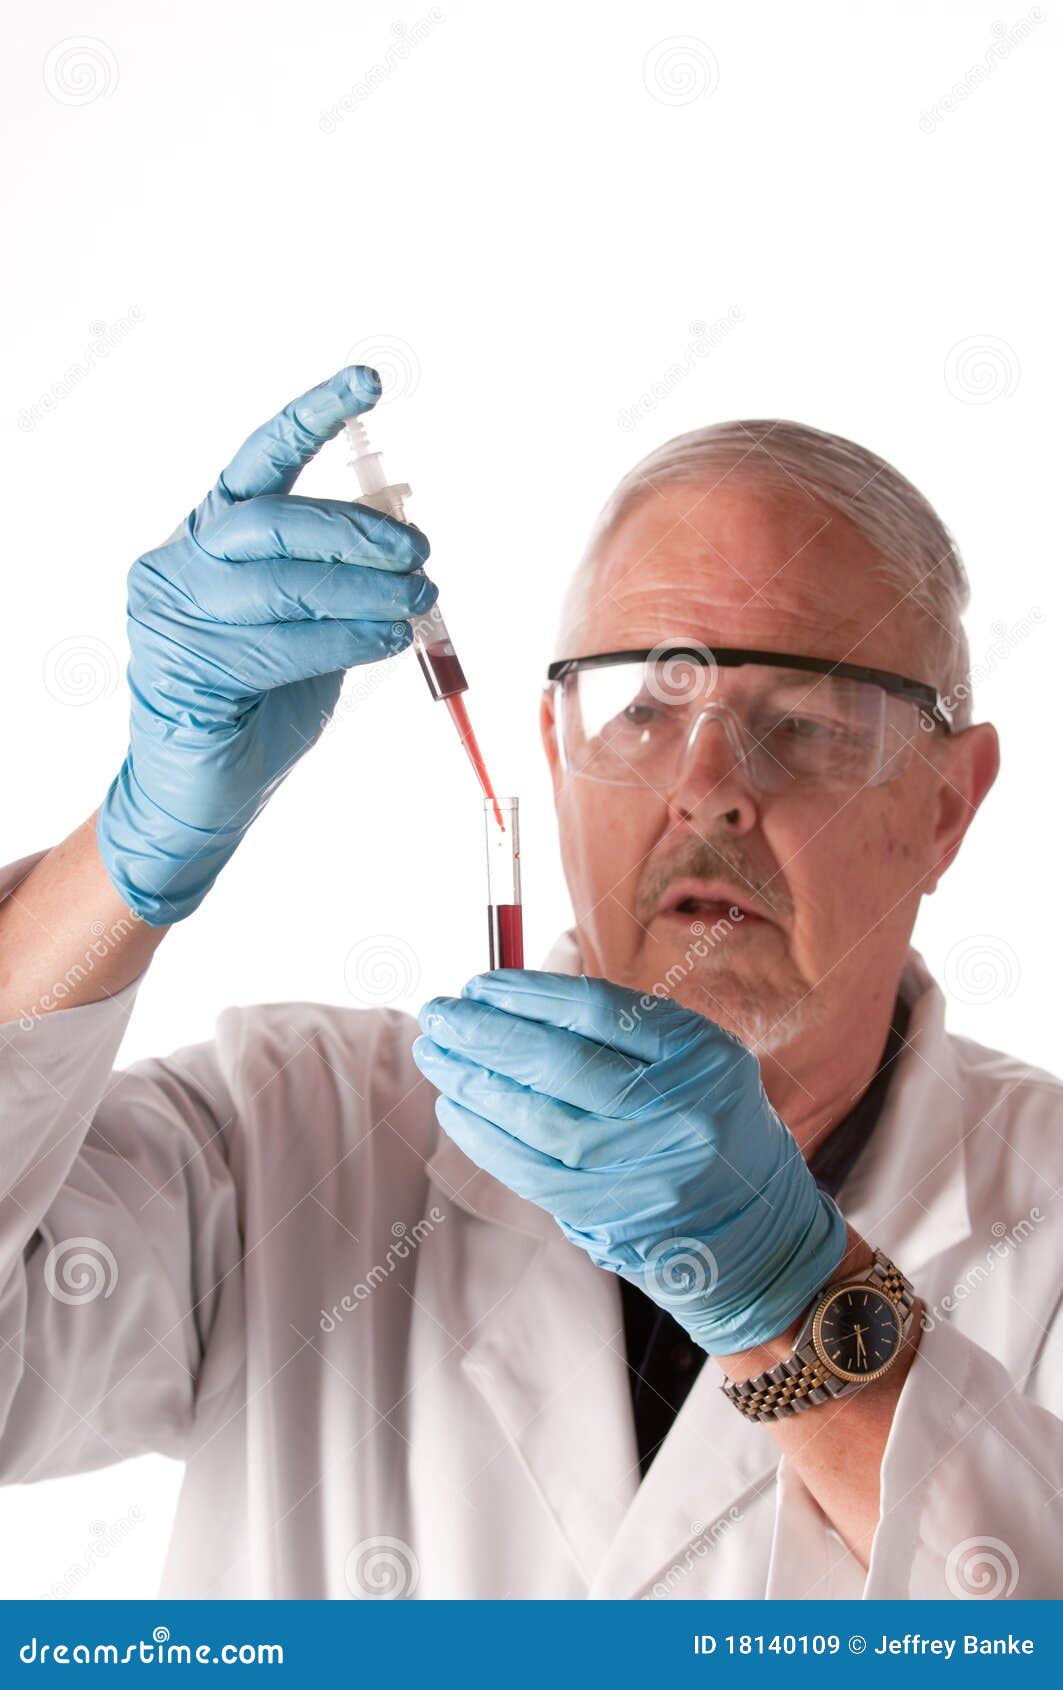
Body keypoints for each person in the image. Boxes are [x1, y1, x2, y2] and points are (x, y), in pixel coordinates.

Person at [0, 368, 1059, 1601]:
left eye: (811, 719)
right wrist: (120, 868)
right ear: (554, 754)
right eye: (645, 706)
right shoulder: (293, 1136)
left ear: (947, 804)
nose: (706, 784)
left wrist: (794, 1295)